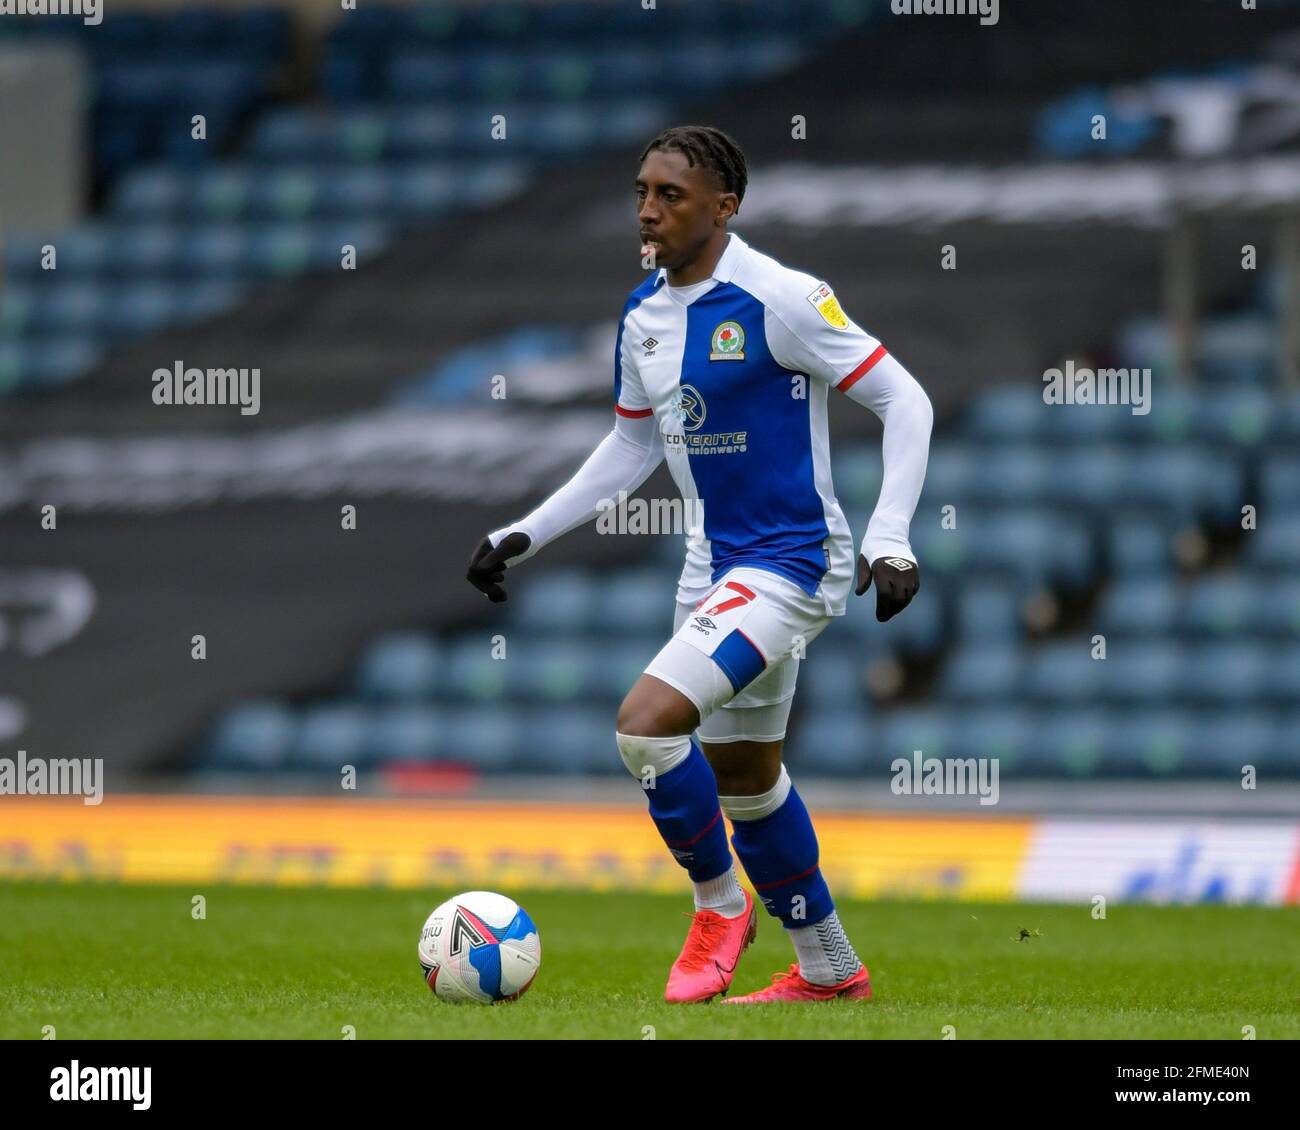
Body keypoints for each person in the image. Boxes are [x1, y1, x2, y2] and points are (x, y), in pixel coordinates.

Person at [467, 125, 932, 1003]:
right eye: (641, 191)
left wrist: (891, 535)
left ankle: (720, 906)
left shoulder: (782, 297)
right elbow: (627, 448)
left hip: (793, 558)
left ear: (726, 205)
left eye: (671, 194)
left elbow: (904, 398)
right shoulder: (644, 315)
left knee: (646, 724)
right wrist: (525, 531)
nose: (648, 209)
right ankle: (831, 969)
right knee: (746, 779)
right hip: (713, 567)